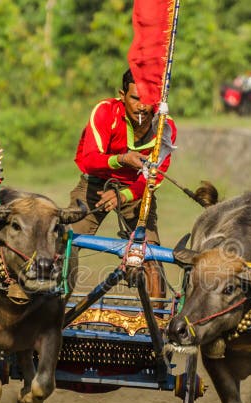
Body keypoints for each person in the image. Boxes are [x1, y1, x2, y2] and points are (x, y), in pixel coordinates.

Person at [68, 68, 177, 299]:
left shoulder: (165, 127)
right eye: (135, 98)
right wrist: (122, 159)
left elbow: (154, 176)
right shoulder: (105, 111)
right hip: (94, 185)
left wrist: (124, 195)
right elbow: (89, 161)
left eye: (148, 100)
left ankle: (154, 326)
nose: (142, 107)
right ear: (122, 95)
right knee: (65, 247)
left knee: (150, 259)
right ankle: (54, 307)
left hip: (137, 191)